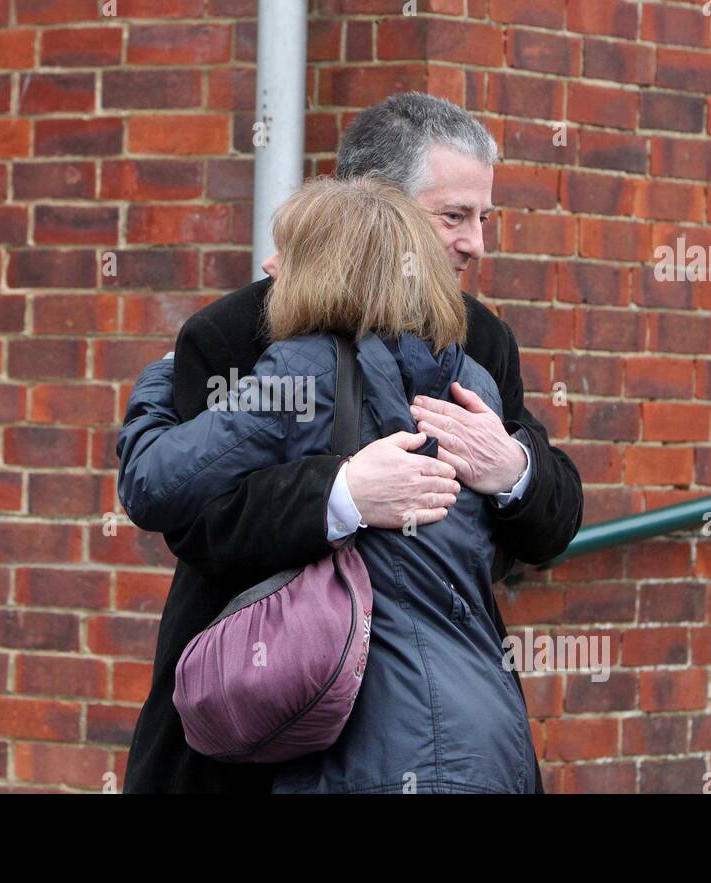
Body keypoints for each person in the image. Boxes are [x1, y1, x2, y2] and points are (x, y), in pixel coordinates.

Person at [119, 92, 584, 794]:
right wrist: (340, 495)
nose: (476, 242)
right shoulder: (235, 332)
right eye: (454, 216)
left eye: (485, 217)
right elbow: (196, 522)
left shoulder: (479, 342)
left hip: (434, 718)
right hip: (256, 729)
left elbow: (551, 524)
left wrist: (513, 468)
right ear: (380, 207)